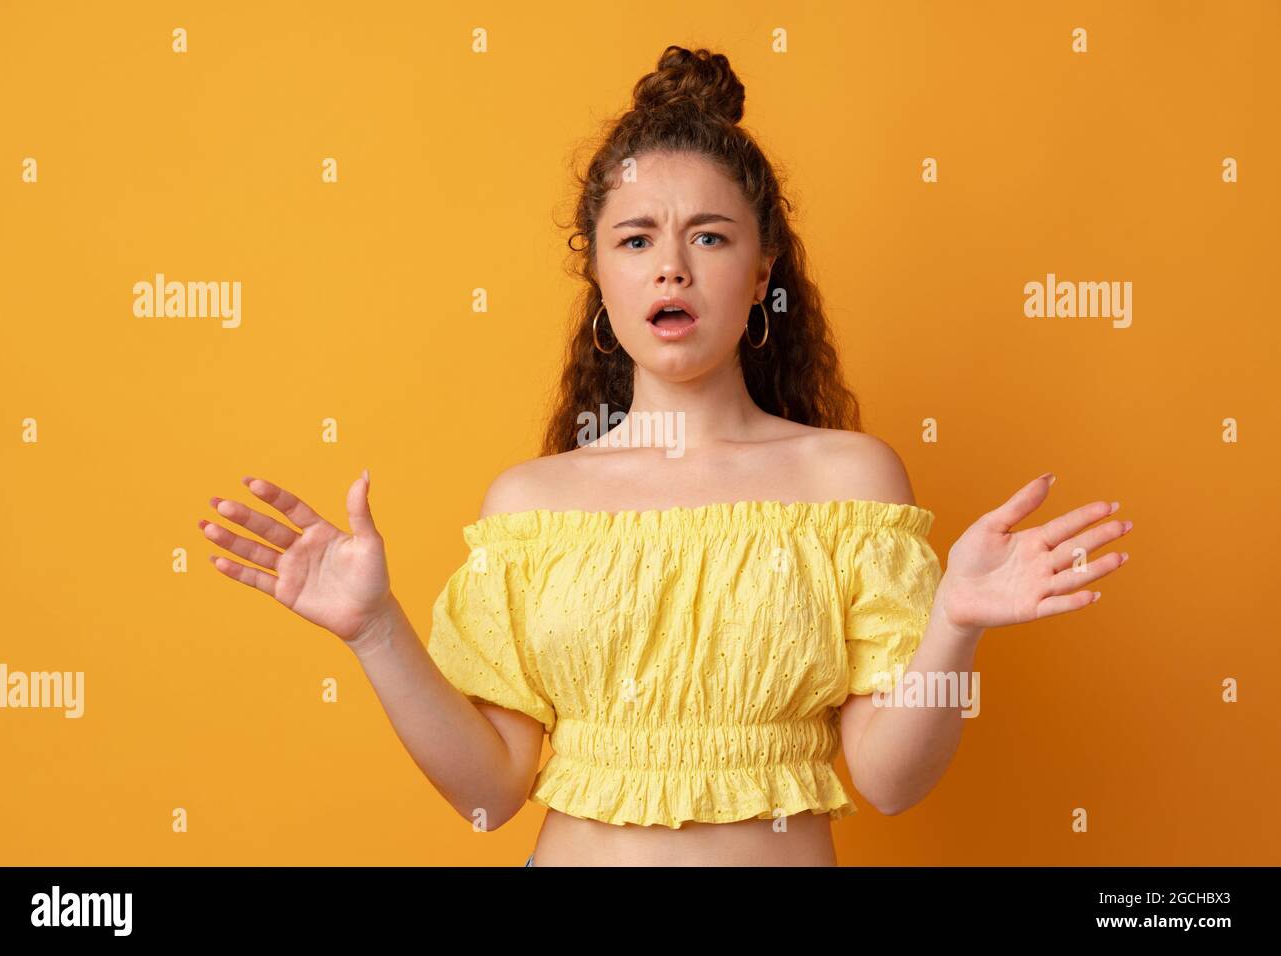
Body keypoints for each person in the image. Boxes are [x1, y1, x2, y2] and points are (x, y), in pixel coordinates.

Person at [198, 46, 1133, 867]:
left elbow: (890, 783)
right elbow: (488, 797)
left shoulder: (850, 482)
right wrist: (374, 631)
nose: (671, 267)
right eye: (636, 239)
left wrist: (955, 627)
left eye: (711, 238)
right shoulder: (531, 506)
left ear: (763, 272)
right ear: (600, 280)